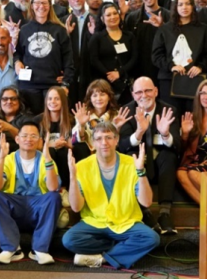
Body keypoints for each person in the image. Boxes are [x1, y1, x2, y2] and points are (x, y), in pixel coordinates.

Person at [62, 123, 159, 269]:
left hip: (125, 222)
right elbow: (76, 207)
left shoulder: (131, 164)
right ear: (93, 143)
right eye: (99, 138)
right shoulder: (81, 166)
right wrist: (72, 177)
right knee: (69, 240)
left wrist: (141, 172)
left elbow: (146, 202)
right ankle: (121, 249)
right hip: (95, 222)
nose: (104, 143)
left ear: (116, 140)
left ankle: (102, 259)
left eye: (108, 137)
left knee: (151, 238)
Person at [0, 123, 61, 265]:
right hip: (15, 205)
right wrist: (1, 158)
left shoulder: (46, 160)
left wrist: (47, 159)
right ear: (17, 139)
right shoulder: (9, 159)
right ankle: (12, 248)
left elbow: (53, 187)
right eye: (25, 135)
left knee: (54, 197)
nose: (29, 139)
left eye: (34, 136)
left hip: (38, 206)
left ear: (40, 141)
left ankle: (39, 250)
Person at [118, 77, 180, 234]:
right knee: (130, 156)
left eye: (147, 90)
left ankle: (165, 213)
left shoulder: (168, 110)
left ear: (156, 91)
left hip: (160, 161)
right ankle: (144, 212)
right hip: (138, 159)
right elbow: (122, 145)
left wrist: (165, 134)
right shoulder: (126, 111)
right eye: (138, 92)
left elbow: (177, 145)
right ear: (133, 95)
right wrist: (139, 132)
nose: (143, 95)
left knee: (169, 155)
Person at [151, 0, 207, 113]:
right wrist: (171, 66)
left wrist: (200, 67)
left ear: (193, 6)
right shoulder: (165, 29)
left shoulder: (203, 29)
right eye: (180, 4)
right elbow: (156, 55)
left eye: (187, 4)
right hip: (169, 80)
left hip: (194, 79)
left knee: (192, 116)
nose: (184, 7)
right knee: (171, 116)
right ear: (175, 7)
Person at [14, 0, 74, 114]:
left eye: (44, 3)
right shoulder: (24, 30)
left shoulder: (60, 30)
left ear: (50, 6)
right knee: (32, 122)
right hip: (29, 86)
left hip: (52, 86)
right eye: (37, 3)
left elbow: (69, 59)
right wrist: (17, 62)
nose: (41, 6)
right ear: (31, 6)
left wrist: (65, 84)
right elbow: (18, 53)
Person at [124, 0, 171, 81]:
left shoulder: (169, 15)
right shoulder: (133, 18)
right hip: (140, 69)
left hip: (163, 69)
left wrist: (162, 26)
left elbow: (175, 42)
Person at [88, 3, 137, 104]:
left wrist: (120, 73)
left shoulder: (129, 36)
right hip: (104, 85)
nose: (113, 17)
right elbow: (94, 60)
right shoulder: (97, 38)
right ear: (102, 18)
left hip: (125, 84)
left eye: (115, 13)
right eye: (108, 15)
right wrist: (109, 75)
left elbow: (134, 57)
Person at [72, 80, 132, 162]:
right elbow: (75, 140)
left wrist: (116, 128)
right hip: (86, 154)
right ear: (90, 98)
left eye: (102, 94)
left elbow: (119, 143)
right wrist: (81, 125)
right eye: (94, 95)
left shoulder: (118, 115)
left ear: (109, 97)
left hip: (109, 152)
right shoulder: (83, 114)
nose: (98, 99)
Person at [0, 86, 32, 169]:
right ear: (0, 102)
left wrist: (9, 128)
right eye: (5, 99)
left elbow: (28, 140)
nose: (9, 102)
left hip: (16, 153)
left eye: (13, 99)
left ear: (19, 101)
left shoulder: (27, 118)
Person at [34, 86, 74, 188]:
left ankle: (65, 188)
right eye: (50, 98)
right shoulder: (38, 120)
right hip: (45, 153)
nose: (53, 102)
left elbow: (73, 145)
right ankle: (51, 186)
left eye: (57, 99)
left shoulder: (70, 119)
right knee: (51, 151)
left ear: (63, 101)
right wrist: (52, 145)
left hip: (64, 154)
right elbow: (36, 146)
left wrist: (66, 144)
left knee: (63, 152)